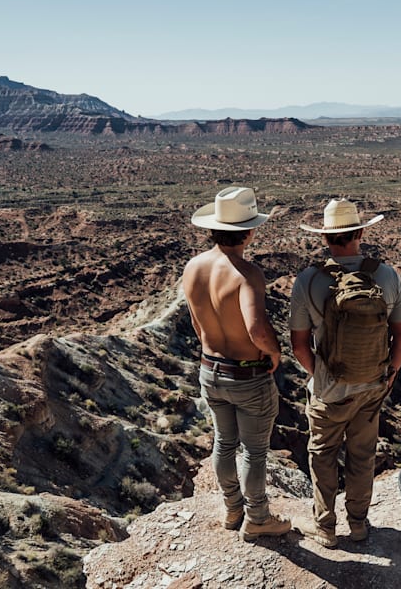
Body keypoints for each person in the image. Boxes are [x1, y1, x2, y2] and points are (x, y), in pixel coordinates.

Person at [289, 199, 401, 547]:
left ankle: (325, 527)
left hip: (329, 392)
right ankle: (358, 524)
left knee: (323, 455)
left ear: (325, 238)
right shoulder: (386, 275)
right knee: (362, 456)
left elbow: (299, 345)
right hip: (372, 385)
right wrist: (391, 373)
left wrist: (321, 376)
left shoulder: (308, 281)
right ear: (360, 232)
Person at [182, 186, 291, 541]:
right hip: (247, 376)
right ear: (249, 231)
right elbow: (257, 329)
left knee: (224, 443)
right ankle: (257, 518)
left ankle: (232, 510)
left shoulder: (193, 268)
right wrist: (274, 353)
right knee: (255, 451)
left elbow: (198, 324)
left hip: (209, 369)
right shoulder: (247, 273)